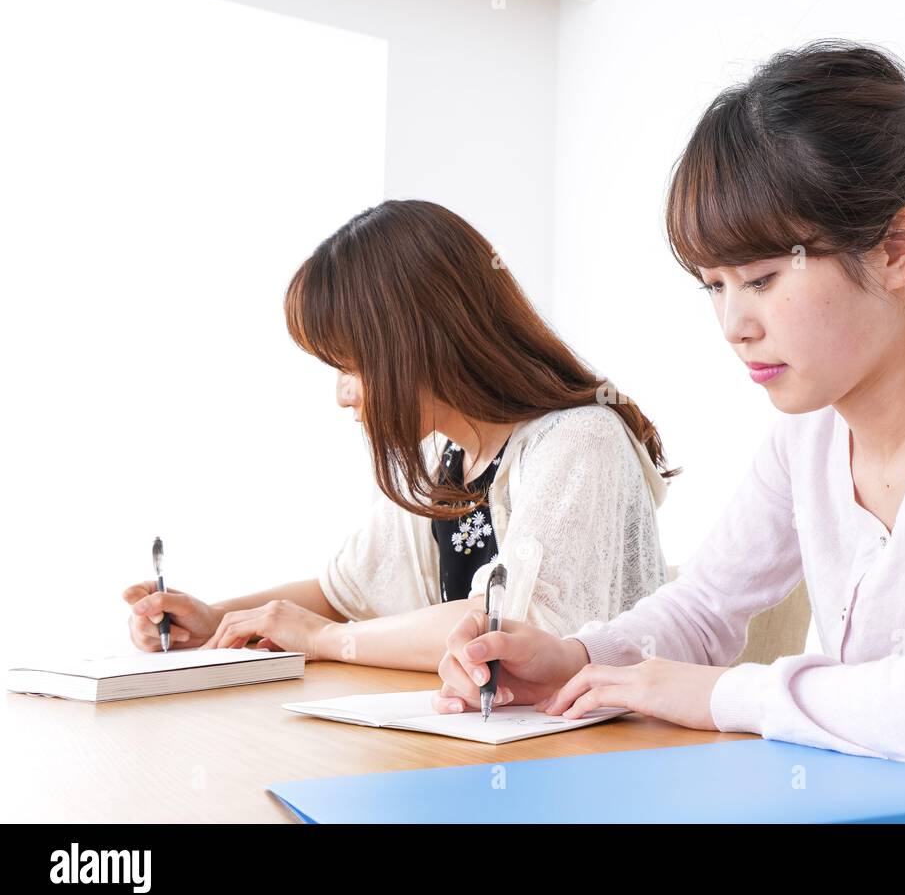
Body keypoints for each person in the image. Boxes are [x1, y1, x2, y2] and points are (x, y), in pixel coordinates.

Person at [431, 41, 905, 785]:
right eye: (715, 285)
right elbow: (705, 607)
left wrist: (726, 695)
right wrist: (576, 656)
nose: (733, 323)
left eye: (765, 278)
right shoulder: (810, 431)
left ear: (897, 248)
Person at [121, 200, 674, 676]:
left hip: (597, 757)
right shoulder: (443, 457)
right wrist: (217, 620)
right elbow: (344, 594)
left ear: (423, 343)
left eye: (350, 365)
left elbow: (512, 624)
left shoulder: (580, 440)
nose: (343, 394)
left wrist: (320, 641)